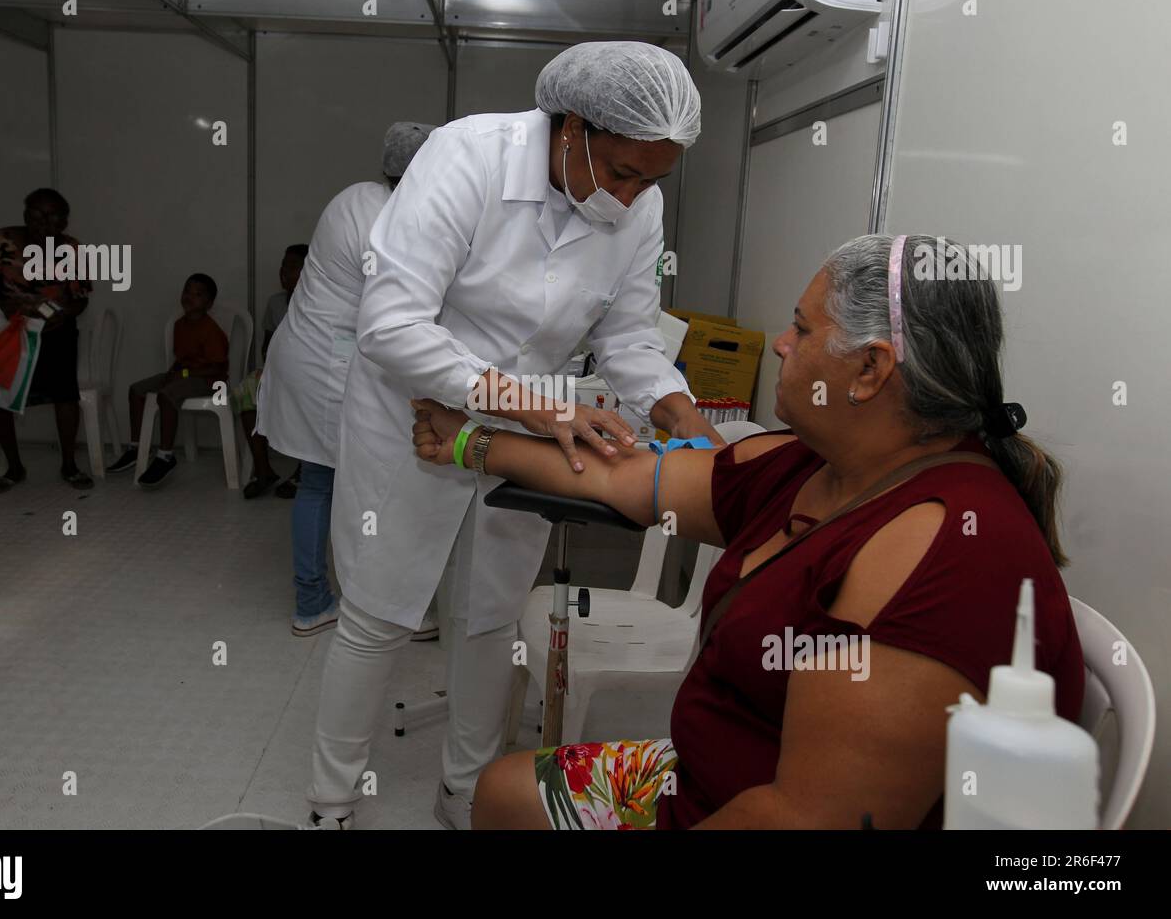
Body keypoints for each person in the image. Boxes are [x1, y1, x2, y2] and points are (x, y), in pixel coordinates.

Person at [410, 234, 1085, 830]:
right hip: (708, 778)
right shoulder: (814, 464)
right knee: (502, 792)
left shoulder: (950, 553)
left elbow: (806, 818)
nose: (783, 345)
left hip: (761, 806)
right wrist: (470, 441)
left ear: (872, 370)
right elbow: (630, 480)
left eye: (800, 328)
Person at [303, 42, 720, 831]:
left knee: (491, 617)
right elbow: (391, 325)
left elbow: (630, 338)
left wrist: (681, 412)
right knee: (381, 611)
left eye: (653, 180)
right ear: (570, 129)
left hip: (526, 430)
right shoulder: (468, 157)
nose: (633, 199)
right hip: (412, 415)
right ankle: (331, 803)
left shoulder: (638, 206)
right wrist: (540, 408)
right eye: (624, 174)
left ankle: (464, 794)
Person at [257, 122, 437, 638]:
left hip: (309, 349)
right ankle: (375, 607)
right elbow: (403, 311)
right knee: (363, 482)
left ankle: (319, 600)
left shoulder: (358, 195)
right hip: (330, 362)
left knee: (324, 480)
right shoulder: (396, 219)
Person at [0, 188, 93, 492]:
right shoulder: (2, 240)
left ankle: (69, 465)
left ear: (64, 221)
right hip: (7, 332)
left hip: (55, 332)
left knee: (65, 396)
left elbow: (80, 298)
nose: (43, 222)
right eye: (36, 214)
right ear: (25, 215)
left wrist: (65, 315)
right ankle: (13, 468)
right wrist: (5, 305)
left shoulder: (72, 248)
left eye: (52, 216)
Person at [106, 274, 228, 488]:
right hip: (185, 375)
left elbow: (217, 367)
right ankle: (135, 448)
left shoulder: (211, 330)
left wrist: (182, 376)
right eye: (187, 291)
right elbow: (181, 361)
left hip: (210, 381)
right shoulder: (179, 325)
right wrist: (175, 374)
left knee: (167, 394)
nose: (190, 297)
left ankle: (165, 456)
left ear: (208, 304)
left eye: (198, 294)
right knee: (136, 390)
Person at [233, 243, 308, 499]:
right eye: (283, 266)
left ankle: (303, 471)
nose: (283, 272)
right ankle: (263, 470)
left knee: (309, 398)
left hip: (309, 373)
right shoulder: (275, 303)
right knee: (246, 390)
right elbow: (267, 344)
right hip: (277, 370)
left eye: (291, 267)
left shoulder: (318, 304)